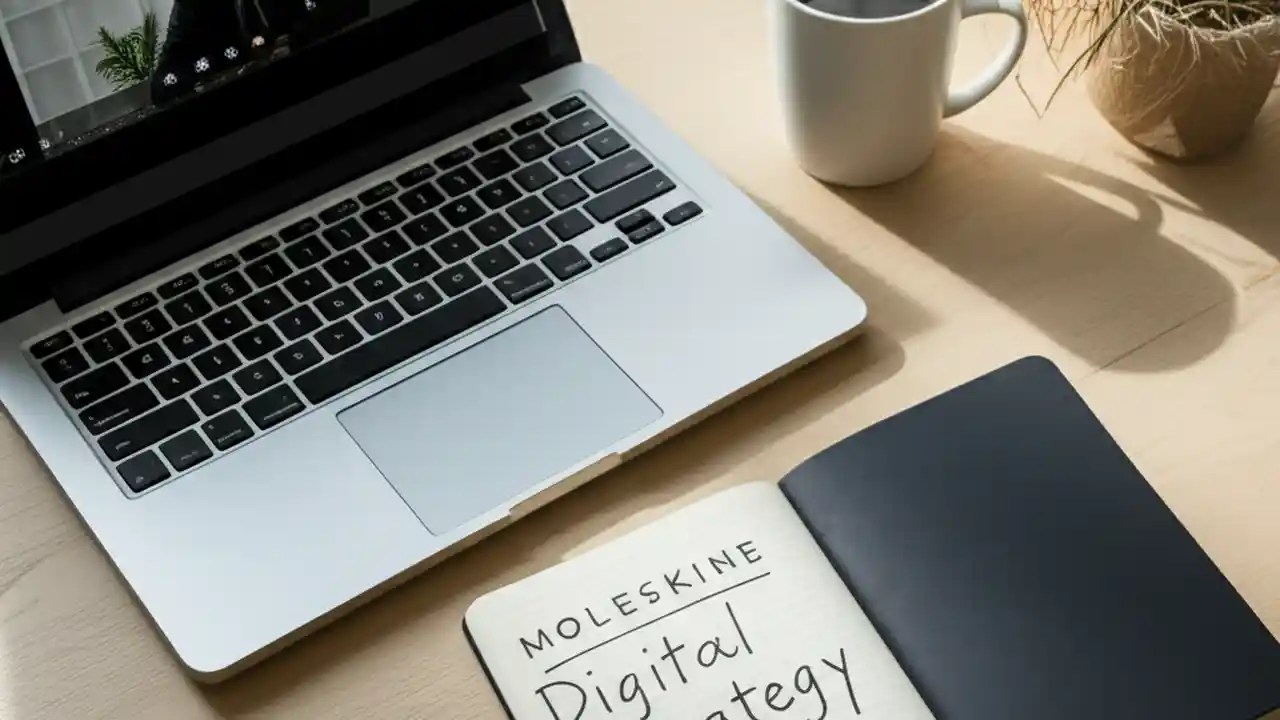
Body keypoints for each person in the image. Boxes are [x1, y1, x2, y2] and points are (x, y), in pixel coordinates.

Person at [150, 0, 362, 105]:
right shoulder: (194, 4)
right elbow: (163, 83)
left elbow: (354, 5)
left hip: (335, 88)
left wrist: (297, 39)